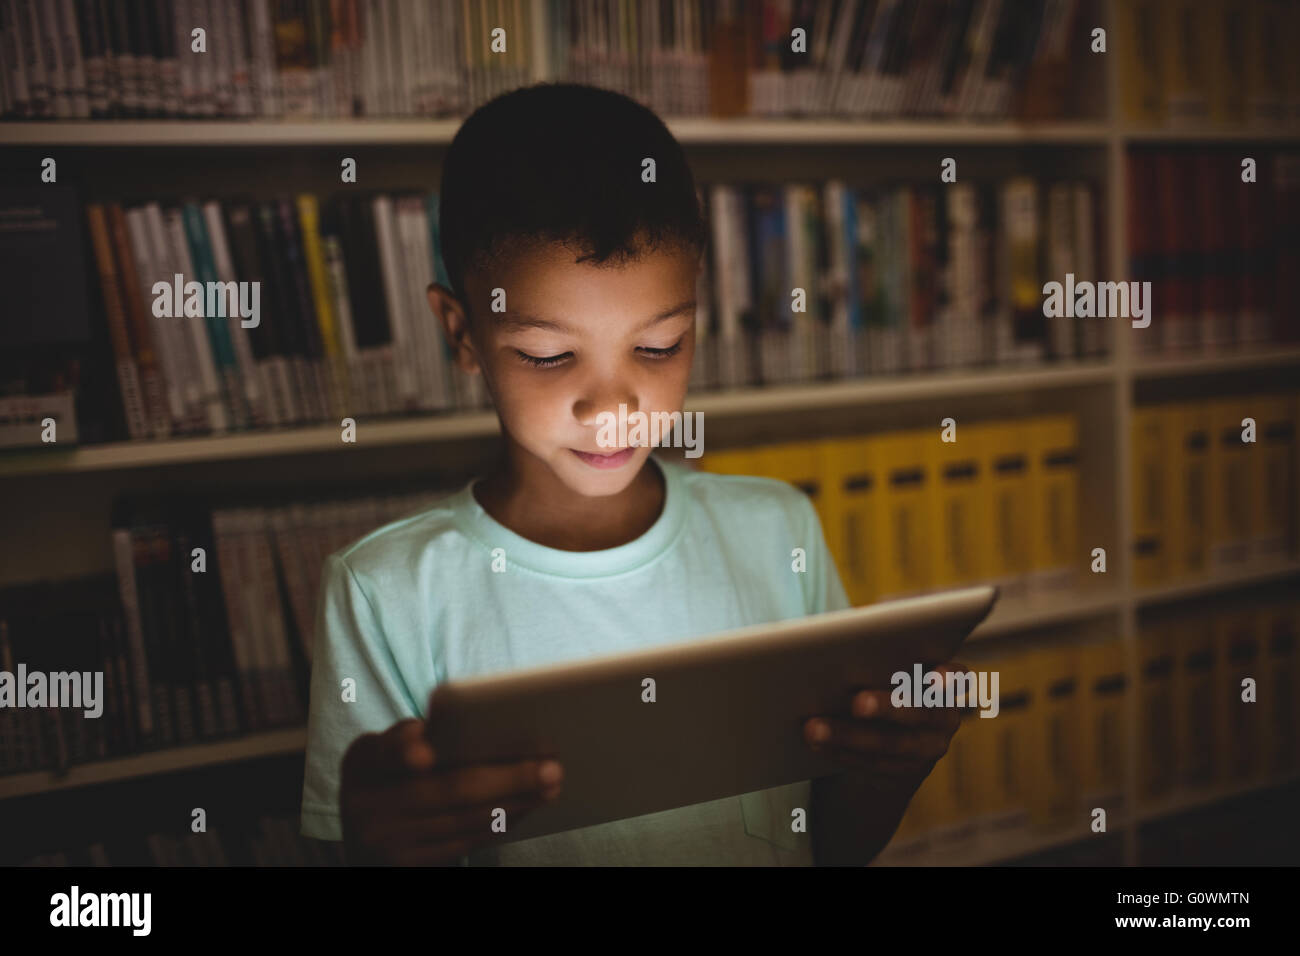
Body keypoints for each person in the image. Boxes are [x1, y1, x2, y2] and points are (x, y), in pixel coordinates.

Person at [300, 83, 962, 865]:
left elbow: (825, 845)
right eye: (548, 356)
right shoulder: (388, 592)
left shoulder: (777, 530)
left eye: (658, 346)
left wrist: (897, 766)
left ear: (696, 314)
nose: (612, 403)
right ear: (463, 331)